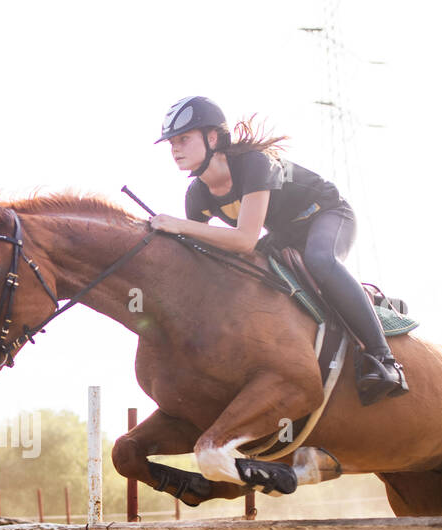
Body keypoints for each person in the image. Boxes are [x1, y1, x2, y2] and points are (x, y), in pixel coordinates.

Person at [149, 95, 407, 406]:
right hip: (285, 233)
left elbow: (244, 239)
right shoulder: (197, 196)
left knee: (319, 259)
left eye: (184, 139)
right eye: (172, 142)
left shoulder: (253, 163)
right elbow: (203, 255)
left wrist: (180, 226)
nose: (175, 148)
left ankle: (385, 360)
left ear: (213, 137)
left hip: (327, 213)